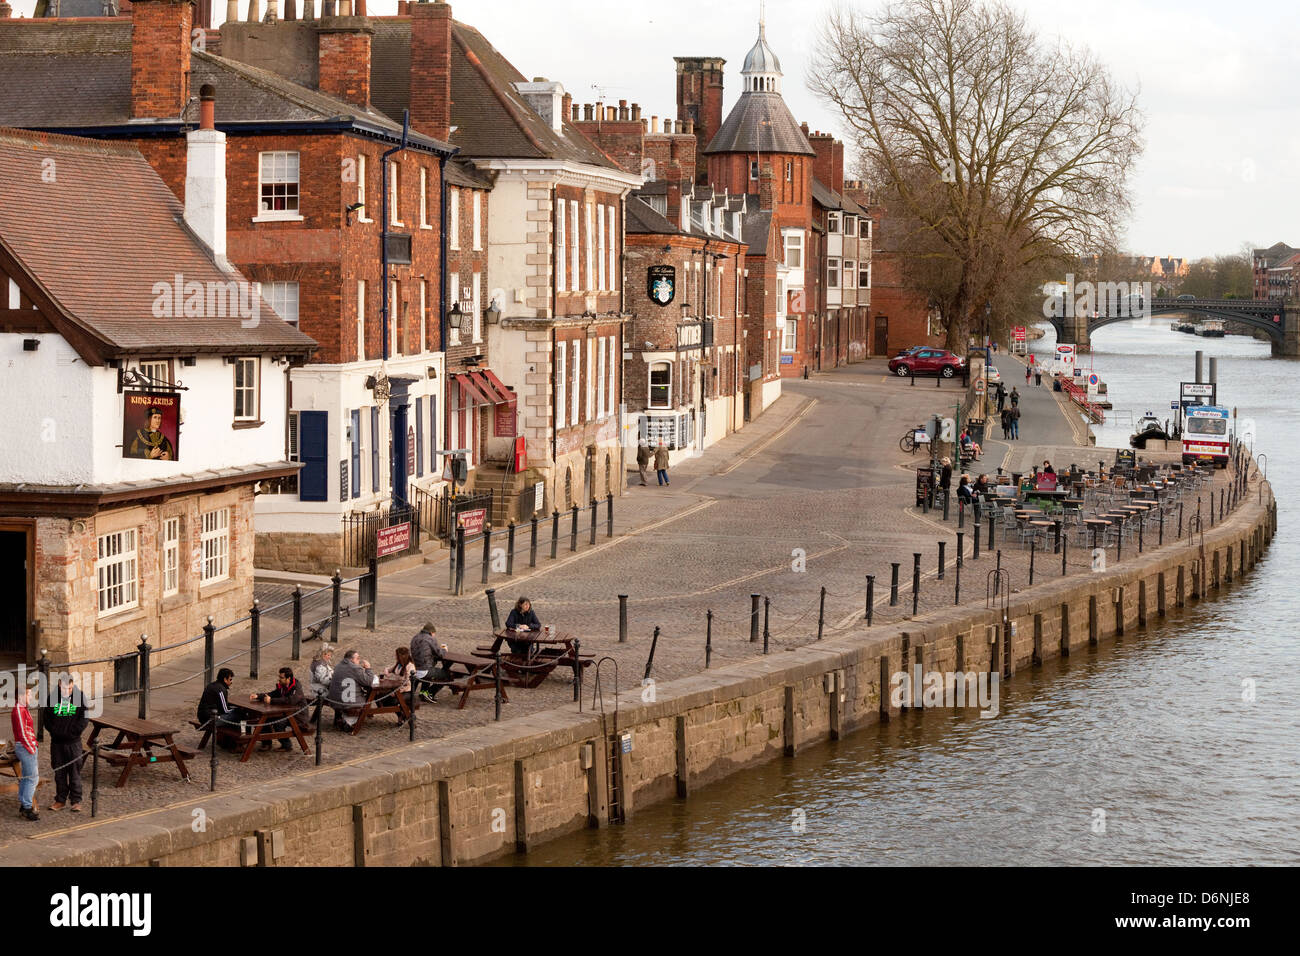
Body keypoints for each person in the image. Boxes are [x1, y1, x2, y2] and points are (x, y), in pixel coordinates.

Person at [45, 673, 89, 812]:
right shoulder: (52, 698)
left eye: (70, 688)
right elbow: (47, 719)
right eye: (65, 688)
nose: (67, 691)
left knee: (75, 772)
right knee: (59, 773)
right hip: (57, 742)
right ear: (59, 685)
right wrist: (54, 731)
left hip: (73, 742)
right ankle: (60, 800)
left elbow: (84, 718)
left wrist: (74, 732)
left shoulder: (80, 697)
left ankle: (76, 801)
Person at [249, 667, 307, 750]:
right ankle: (266, 743)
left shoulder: (296, 688)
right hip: (286, 713)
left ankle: (287, 745)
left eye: (281, 677)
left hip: (297, 715)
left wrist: (271, 701)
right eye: (279, 677)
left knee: (279, 723)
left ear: (288, 678)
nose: (279, 679)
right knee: (263, 719)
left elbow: (290, 701)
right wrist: (258, 696)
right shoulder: (283, 685)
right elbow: (273, 693)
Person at [328, 650, 379, 731]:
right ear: (351, 660)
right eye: (358, 658)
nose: (359, 661)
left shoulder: (338, 666)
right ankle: (349, 723)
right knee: (368, 698)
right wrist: (368, 668)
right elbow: (368, 681)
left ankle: (344, 719)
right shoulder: (355, 668)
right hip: (348, 703)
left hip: (334, 701)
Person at [198, 667, 247, 749]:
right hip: (210, 720)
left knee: (235, 715)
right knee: (240, 715)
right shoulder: (221, 690)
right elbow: (226, 710)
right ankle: (240, 740)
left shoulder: (212, 685)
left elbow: (222, 706)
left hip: (203, 716)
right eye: (230, 679)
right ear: (225, 679)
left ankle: (229, 742)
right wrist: (237, 709)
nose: (231, 682)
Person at [12, 686, 39, 821]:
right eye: (29, 695)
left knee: (28, 777)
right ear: (21, 696)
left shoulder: (23, 709)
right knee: (32, 778)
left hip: (28, 746)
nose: (31, 698)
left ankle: (24, 803)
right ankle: (27, 807)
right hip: (25, 747)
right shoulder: (19, 710)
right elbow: (22, 733)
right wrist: (32, 748)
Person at [411, 623, 452, 703]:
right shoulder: (430, 639)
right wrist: (444, 649)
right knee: (447, 675)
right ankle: (430, 693)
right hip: (424, 671)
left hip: (414, 670)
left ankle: (423, 693)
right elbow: (440, 654)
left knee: (431, 669)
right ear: (432, 632)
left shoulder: (415, 637)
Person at [385, 647, 417, 724]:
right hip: (397, 689)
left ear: (401, 656)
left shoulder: (410, 666)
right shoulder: (399, 664)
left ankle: (403, 715)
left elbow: (408, 683)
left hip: (407, 691)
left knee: (391, 701)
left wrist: (397, 691)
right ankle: (402, 715)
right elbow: (390, 669)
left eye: (396, 655)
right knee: (383, 698)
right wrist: (386, 670)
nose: (395, 657)